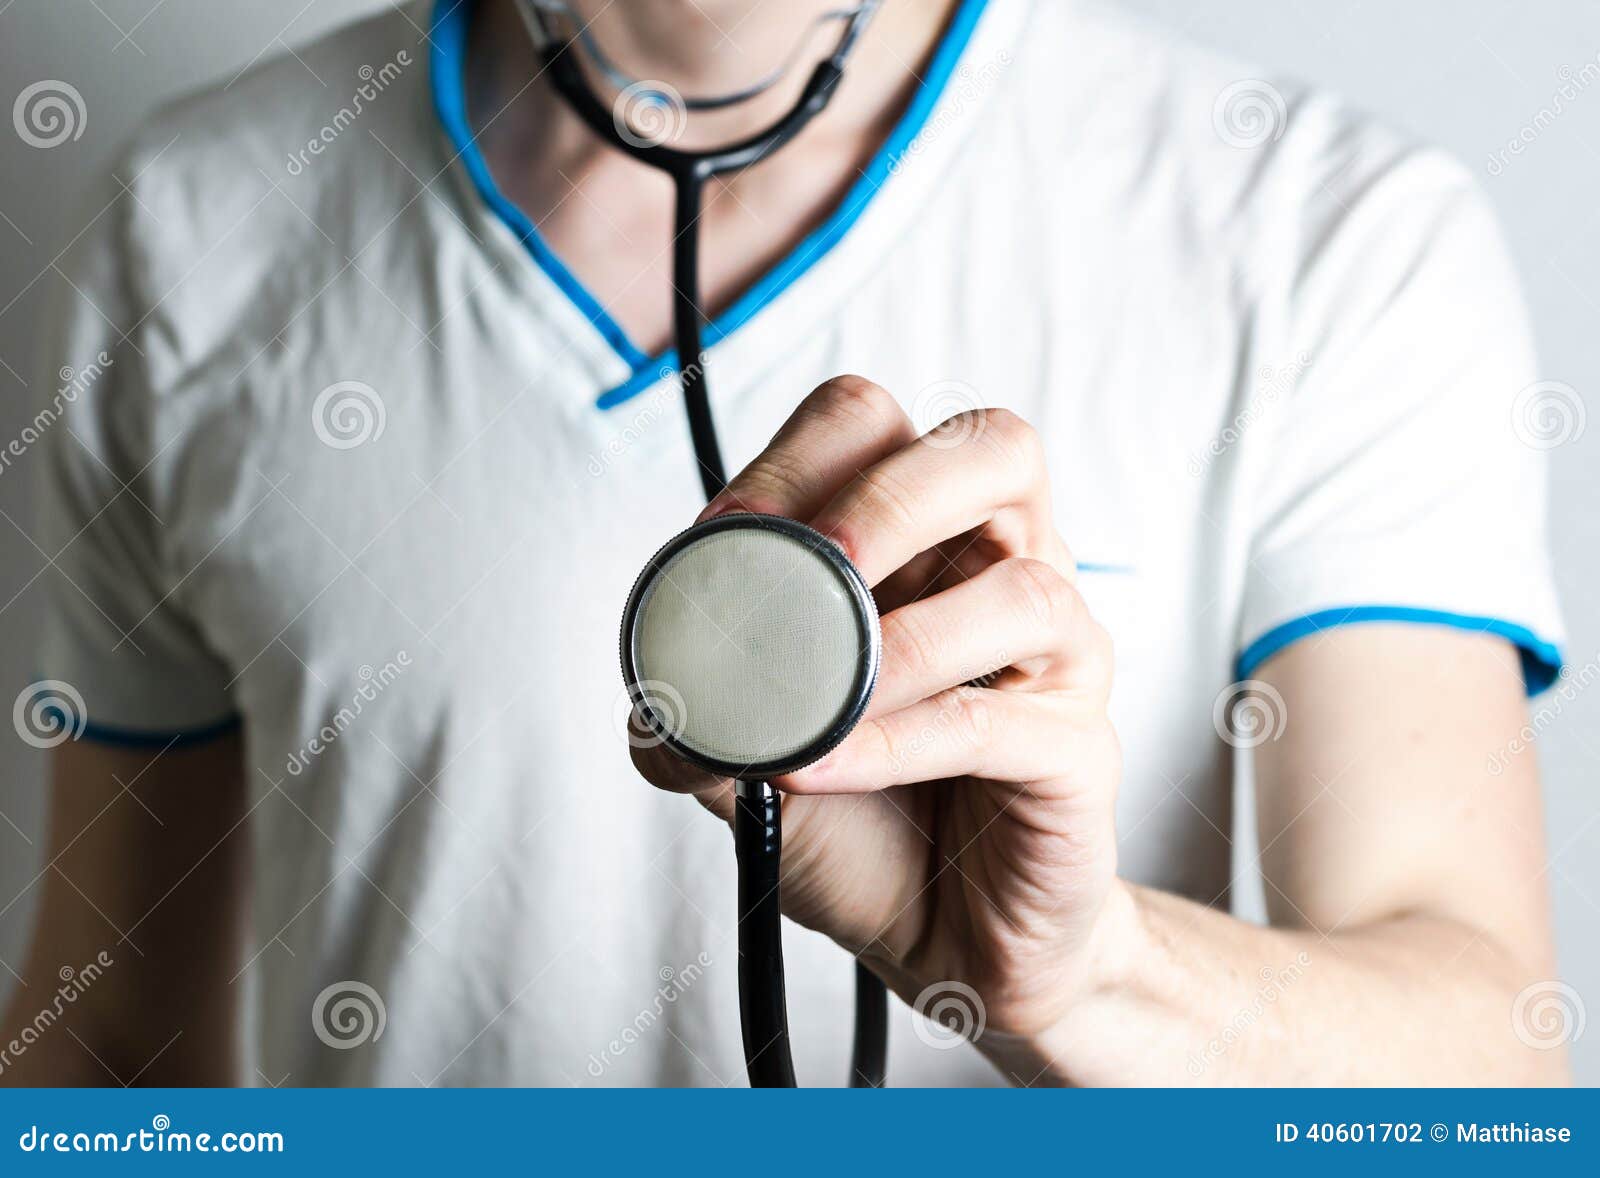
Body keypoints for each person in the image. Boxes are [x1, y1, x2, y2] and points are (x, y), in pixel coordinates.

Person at [1, 0, 1569, 1087]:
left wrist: (1087, 977)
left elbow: (1478, 1082)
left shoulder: (1326, 236)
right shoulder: (187, 230)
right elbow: (108, 1051)